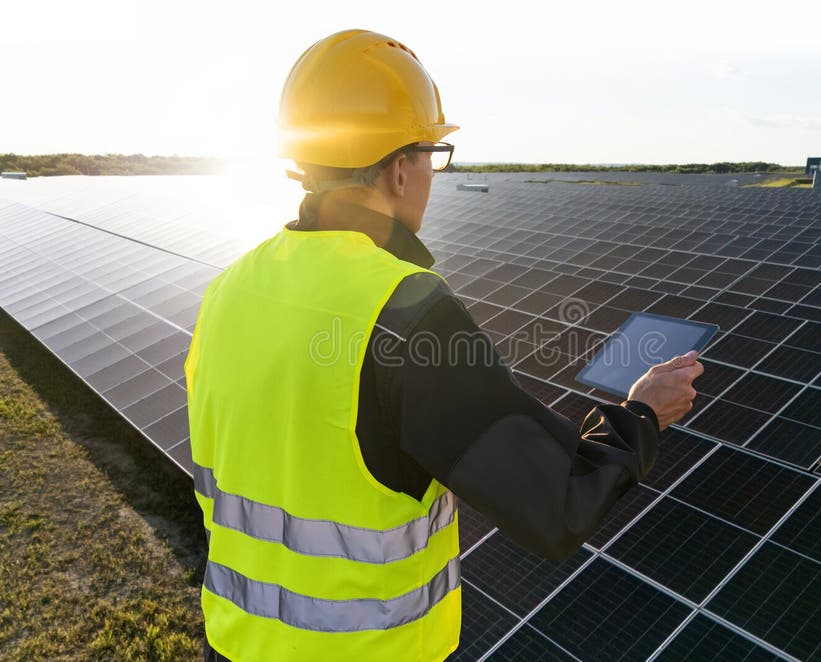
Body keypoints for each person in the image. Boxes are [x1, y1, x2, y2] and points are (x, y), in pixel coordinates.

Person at [185, 29, 703, 662]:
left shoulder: (227, 291)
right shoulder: (403, 311)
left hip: (235, 644)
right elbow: (557, 501)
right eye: (434, 153)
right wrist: (641, 414)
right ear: (400, 169)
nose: (433, 172)